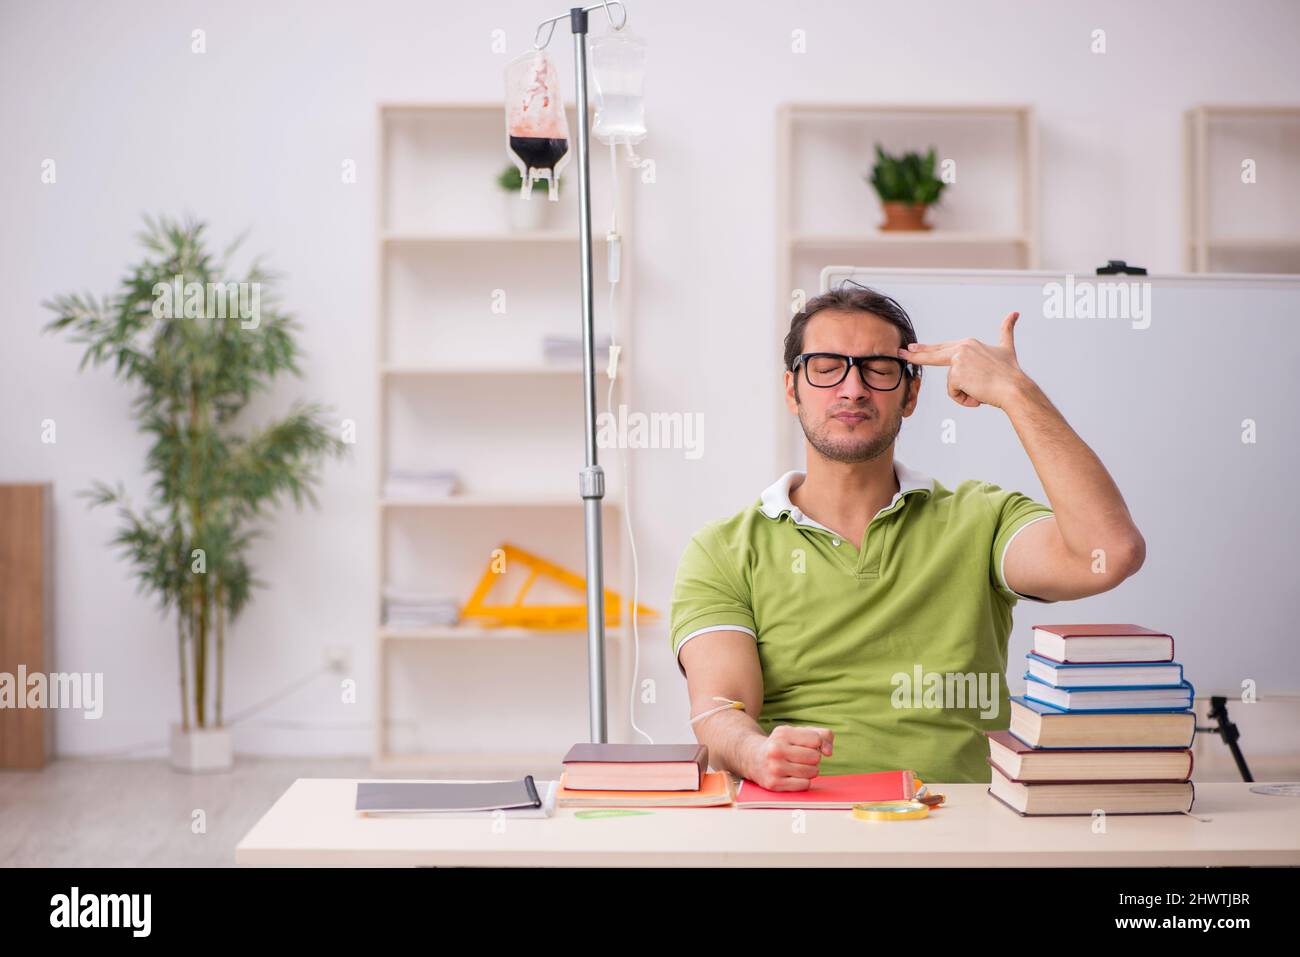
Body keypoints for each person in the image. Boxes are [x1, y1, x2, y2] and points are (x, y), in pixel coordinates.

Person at [669, 283, 1146, 788]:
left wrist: (1015, 392)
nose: (852, 389)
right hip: (801, 822)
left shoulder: (982, 518)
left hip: (959, 828)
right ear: (793, 390)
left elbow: (1109, 553)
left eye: (878, 369)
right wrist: (755, 752)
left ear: (912, 393)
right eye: (827, 367)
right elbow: (719, 708)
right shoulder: (723, 548)